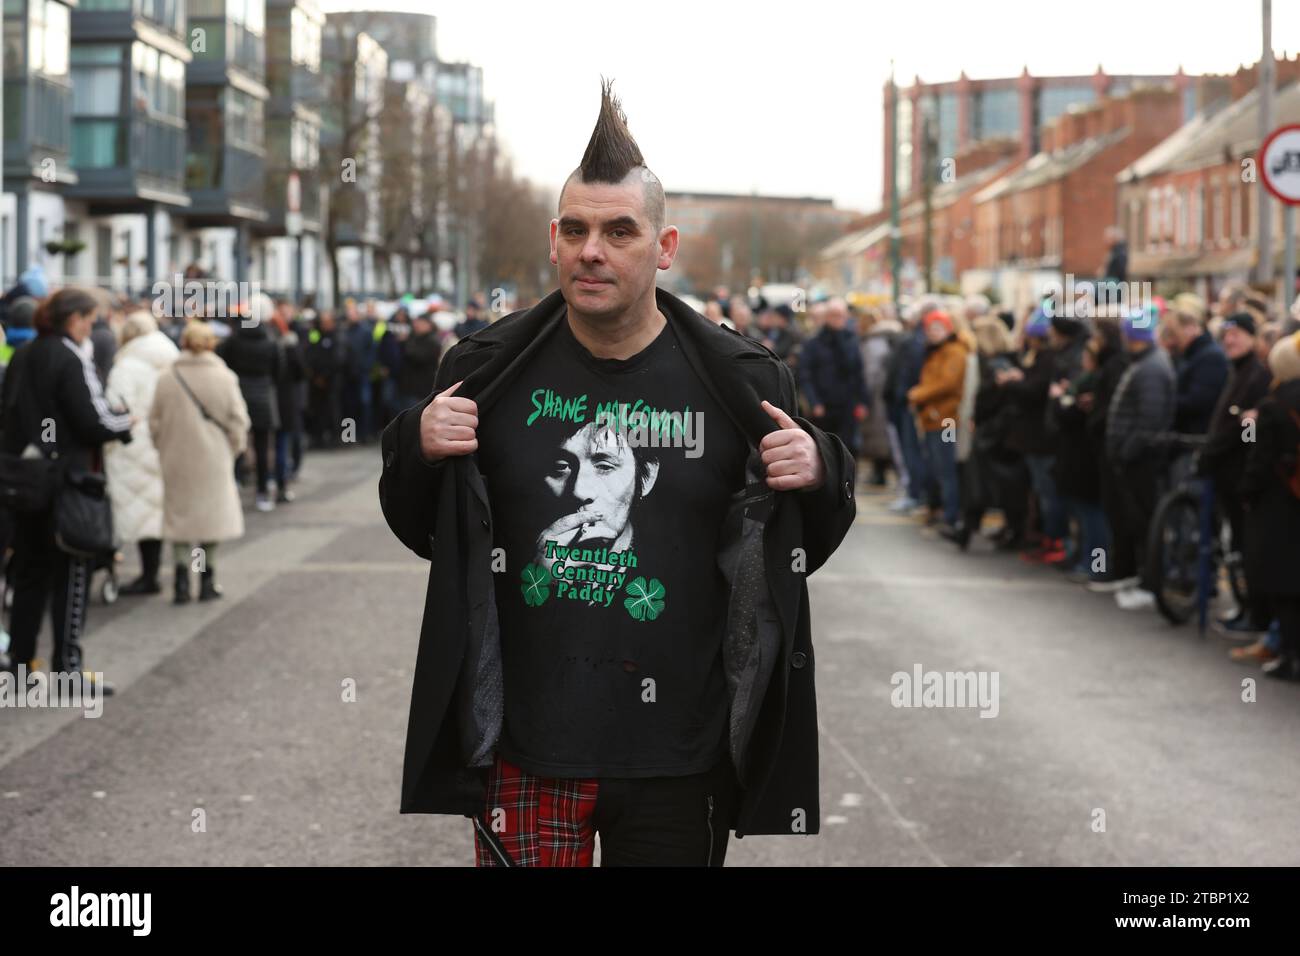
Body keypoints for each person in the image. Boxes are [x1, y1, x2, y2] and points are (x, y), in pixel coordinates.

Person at [377, 81, 855, 867]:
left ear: (663, 248)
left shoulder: (744, 383)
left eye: (619, 231)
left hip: (681, 751)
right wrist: (417, 446)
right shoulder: (483, 375)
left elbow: (793, 555)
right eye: (575, 230)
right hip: (526, 746)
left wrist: (821, 469)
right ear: (553, 239)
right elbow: (426, 529)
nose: (591, 250)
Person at [0, 288, 133, 690]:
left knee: (28, 572)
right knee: (72, 571)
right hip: (67, 480)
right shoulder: (71, 358)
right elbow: (93, 420)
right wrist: (126, 422)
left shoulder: (23, 356)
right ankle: (67, 667)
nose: (92, 327)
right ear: (75, 319)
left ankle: (21, 664)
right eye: (90, 320)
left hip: (23, 480)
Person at [149, 321, 250, 603]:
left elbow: (153, 421)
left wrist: (163, 446)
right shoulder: (224, 377)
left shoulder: (167, 377)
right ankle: (207, 579)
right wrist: (233, 449)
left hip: (176, 457)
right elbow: (238, 421)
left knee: (180, 518)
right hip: (214, 456)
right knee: (209, 519)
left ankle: (182, 580)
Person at [1237, 331, 1300, 680]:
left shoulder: (1273, 406)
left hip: (1279, 504)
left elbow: (1257, 457)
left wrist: (1246, 492)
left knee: (1284, 586)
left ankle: (1288, 655)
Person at [1104, 309, 1176, 611]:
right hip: (1135, 457)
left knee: (1147, 523)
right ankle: (1143, 579)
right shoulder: (1146, 364)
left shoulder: (1150, 368)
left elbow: (1150, 421)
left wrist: (1127, 451)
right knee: (1139, 521)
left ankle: (1151, 584)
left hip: (1141, 460)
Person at [103, 310, 179, 595]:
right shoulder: (171, 360)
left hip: (133, 443)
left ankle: (141, 575)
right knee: (154, 509)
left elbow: (117, 406)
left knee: (134, 509)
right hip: (164, 440)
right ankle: (153, 572)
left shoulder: (127, 365)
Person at [217, 297, 282, 512]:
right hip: (263, 397)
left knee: (236, 444)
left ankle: (234, 484)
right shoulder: (271, 342)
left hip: (238, 395)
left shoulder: (232, 341)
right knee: (263, 448)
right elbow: (278, 371)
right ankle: (262, 491)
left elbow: (222, 366)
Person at [907, 310, 967, 531]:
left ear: (948, 329)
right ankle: (940, 510)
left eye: (937, 329)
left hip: (946, 420)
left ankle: (950, 514)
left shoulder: (954, 352)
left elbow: (948, 384)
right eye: (930, 329)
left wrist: (918, 394)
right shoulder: (936, 352)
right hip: (932, 418)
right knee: (935, 467)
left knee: (945, 468)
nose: (932, 333)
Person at [798, 298, 869, 463]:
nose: (838, 319)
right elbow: (806, 376)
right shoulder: (813, 344)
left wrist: (863, 402)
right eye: (834, 315)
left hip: (848, 405)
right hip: (824, 407)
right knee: (825, 451)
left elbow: (858, 374)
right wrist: (814, 402)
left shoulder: (852, 341)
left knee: (849, 449)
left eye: (841, 315)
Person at [860, 306, 901, 486]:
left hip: (878, 396)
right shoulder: (891, 338)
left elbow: (871, 372)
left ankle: (879, 473)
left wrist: (863, 397)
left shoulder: (873, 343)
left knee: (878, 435)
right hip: (888, 394)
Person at [305, 309, 347, 449]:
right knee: (318, 410)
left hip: (332, 380)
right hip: (317, 381)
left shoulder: (337, 337)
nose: (324, 324)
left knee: (333, 409)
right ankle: (319, 436)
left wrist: (325, 375)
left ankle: (336, 437)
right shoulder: (318, 335)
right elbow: (312, 354)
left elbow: (337, 359)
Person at [396, 310, 442, 411]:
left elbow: (418, 357)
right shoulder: (415, 337)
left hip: (421, 389)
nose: (416, 325)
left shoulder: (432, 341)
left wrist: (405, 343)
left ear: (428, 325)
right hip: (408, 386)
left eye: (420, 323)